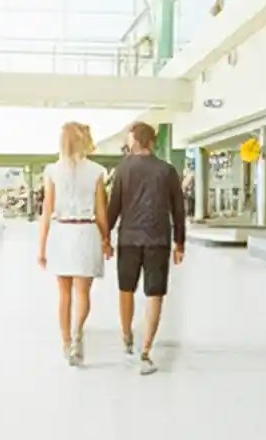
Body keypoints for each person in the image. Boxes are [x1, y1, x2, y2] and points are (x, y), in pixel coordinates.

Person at [106, 121, 186, 375]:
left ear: (135, 142)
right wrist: (180, 242)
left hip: (128, 238)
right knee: (155, 294)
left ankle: (127, 334)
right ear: (153, 142)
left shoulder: (122, 169)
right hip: (158, 240)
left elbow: (113, 207)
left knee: (126, 289)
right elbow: (178, 210)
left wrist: (104, 237)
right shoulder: (167, 170)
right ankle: (146, 351)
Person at [37, 122, 110, 367]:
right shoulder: (97, 171)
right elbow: (101, 211)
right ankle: (78, 333)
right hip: (86, 231)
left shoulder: (52, 171)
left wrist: (42, 247)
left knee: (64, 294)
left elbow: (47, 209)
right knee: (83, 292)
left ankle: (66, 342)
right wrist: (106, 239)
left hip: (61, 232)